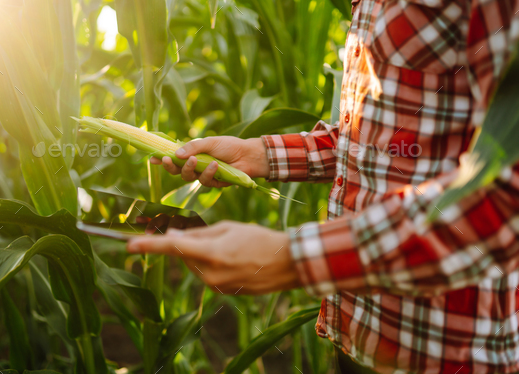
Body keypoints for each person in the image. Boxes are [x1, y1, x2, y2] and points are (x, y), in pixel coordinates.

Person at [128, 0, 519, 372]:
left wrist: (292, 259)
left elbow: (506, 196)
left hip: (445, 350)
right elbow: (380, 141)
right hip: (360, 332)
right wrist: (259, 154)